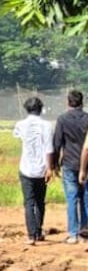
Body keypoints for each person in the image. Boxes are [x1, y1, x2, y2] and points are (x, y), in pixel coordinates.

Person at [13, 96, 54, 247]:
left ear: (26, 109)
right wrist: (50, 168)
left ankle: (31, 235)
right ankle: (38, 231)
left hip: (26, 168)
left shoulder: (20, 124)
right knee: (40, 202)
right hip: (42, 168)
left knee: (29, 202)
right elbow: (50, 149)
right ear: (41, 109)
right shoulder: (47, 125)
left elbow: (17, 136)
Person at [50, 90, 88, 243]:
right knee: (86, 198)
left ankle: (73, 234)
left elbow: (57, 143)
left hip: (69, 163)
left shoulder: (62, 119)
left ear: (68, 102)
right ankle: (85, 232)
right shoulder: (87, 118)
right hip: (87, 164)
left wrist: (54, 165)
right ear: (82, 102)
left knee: (72, 198)